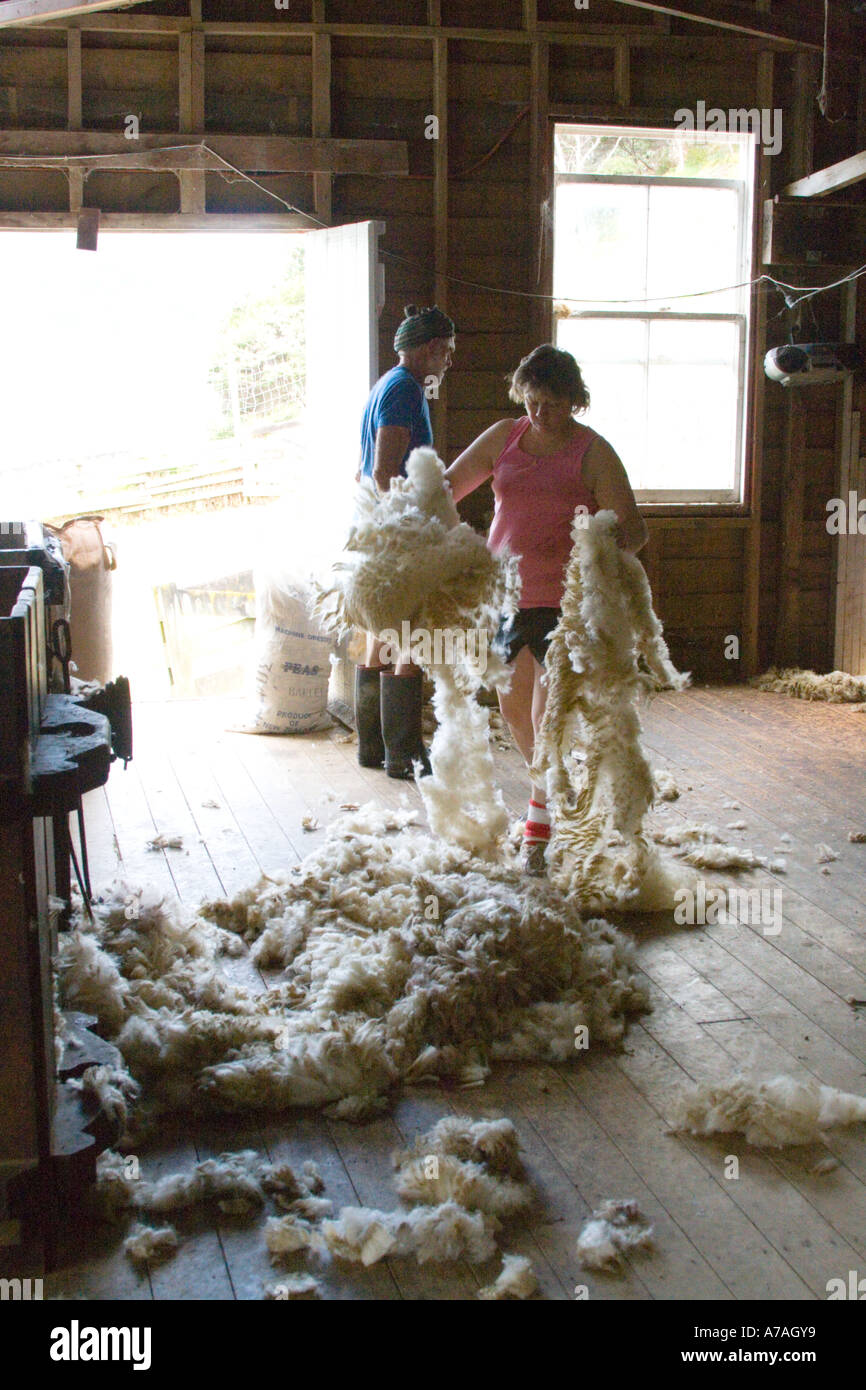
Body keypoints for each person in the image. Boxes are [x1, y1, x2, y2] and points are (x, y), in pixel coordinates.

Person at [444, 343, 648, 873]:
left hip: (564, 601)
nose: (540, 413)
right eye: (532, 401)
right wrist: (433, 534)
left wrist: (600, 561)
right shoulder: (503, 437)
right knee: (513, 710)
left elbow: (634, 529)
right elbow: (446, 487)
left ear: (574, 401)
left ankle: (538, 825)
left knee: (544, 711)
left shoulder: (591, 452)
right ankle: (552, 791)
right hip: (507, 594)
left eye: (552, 404)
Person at [354, 304, 456, 778]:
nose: (449, 362)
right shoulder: (405, 390)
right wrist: (408, 529)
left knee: (382, 629)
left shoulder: (386, 384)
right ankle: (405, 754)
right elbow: (382, 469)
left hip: (378, 522)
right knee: (415, 629)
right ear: (431, 347)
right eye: (447, 352)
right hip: (397, 527)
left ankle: (372, 749)